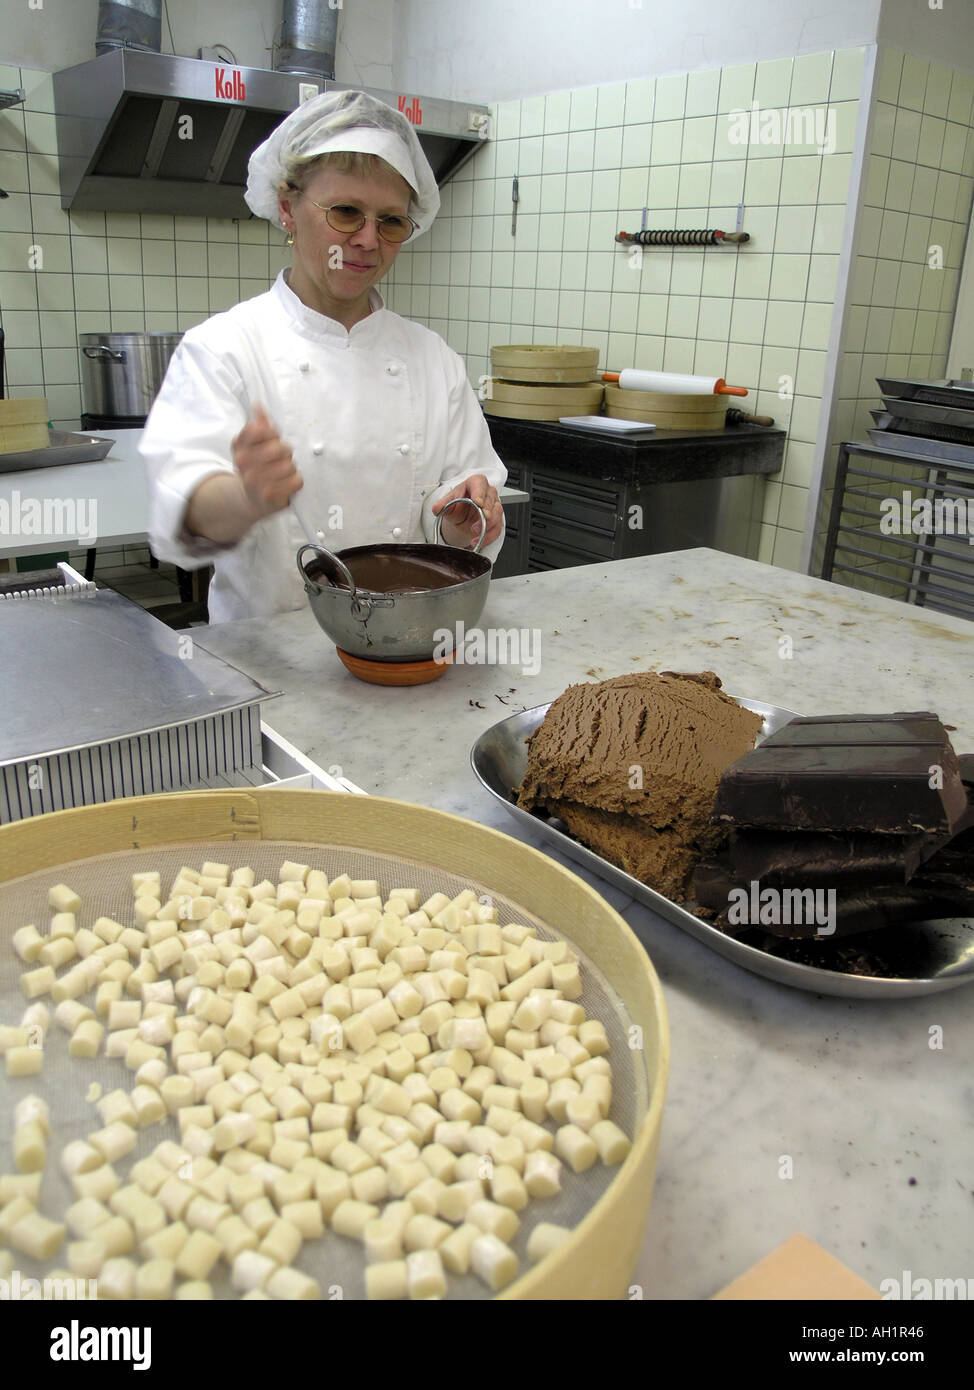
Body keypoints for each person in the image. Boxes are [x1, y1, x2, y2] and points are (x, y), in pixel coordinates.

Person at [140, 89, 506, 623]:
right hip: (267, 663)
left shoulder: (433, 360)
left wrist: (465, 519)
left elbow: (453, 530)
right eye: (345, 212)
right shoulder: (225, 348)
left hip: (405, 644)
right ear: (288, 209)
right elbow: (184, 502)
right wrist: (245, 498)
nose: (366, 240)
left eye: (390, 221)